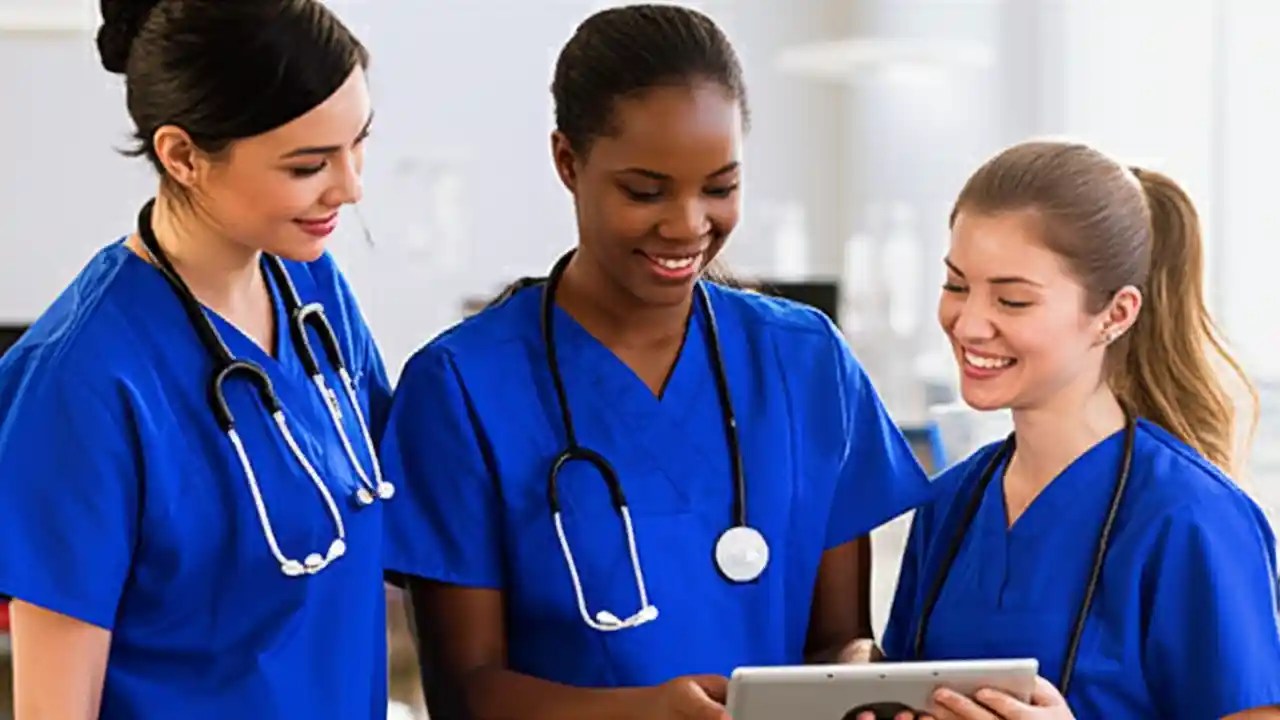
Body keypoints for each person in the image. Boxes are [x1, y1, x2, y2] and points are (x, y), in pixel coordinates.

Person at [379, 4, 933, 719]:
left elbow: (839, 644)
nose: (688, 225)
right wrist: (642, 712)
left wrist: (874, 686)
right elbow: (466, 692)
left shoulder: (806, 363)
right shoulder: (462, 388)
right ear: (568, 161)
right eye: (645, 191)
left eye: (721, 187)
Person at [0, 1, 396, 718]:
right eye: (309, 165)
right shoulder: (79, 383)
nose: (350, 187)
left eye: (356, 144)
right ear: (181, 155)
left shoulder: (310, 287)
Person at [871, 141, 1280, 720]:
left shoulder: (1191, 517)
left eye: (1012, 300)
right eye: (957, 285)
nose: (968, 323)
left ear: (1115, 314)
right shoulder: (950, 504)